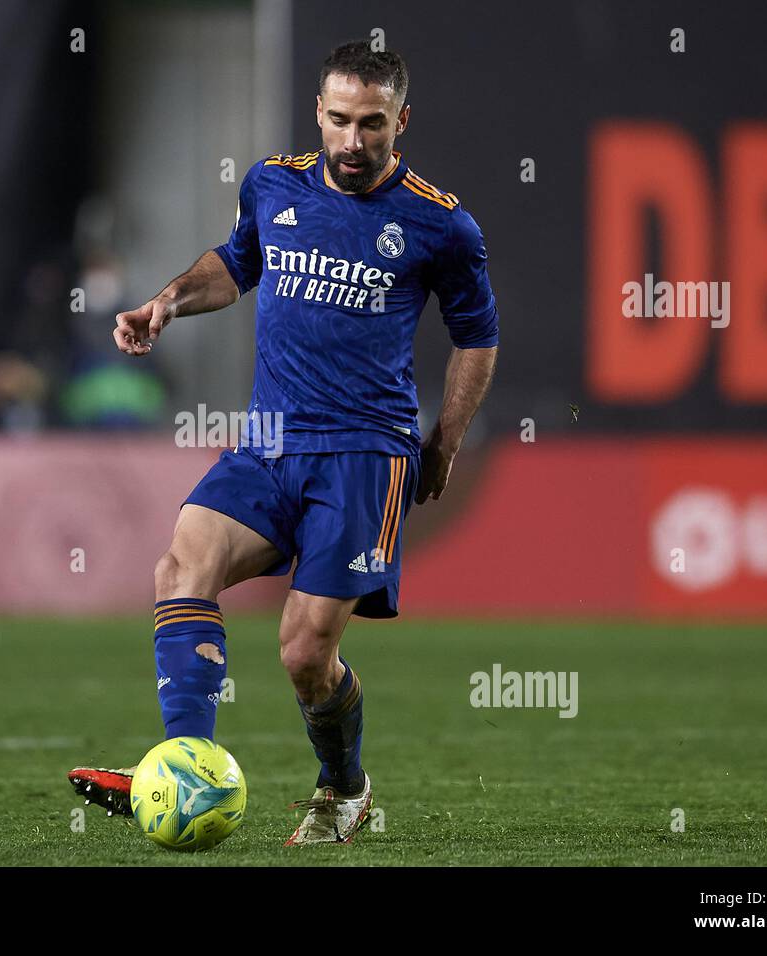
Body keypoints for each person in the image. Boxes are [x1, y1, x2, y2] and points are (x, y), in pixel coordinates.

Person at [68, 39, 500, 845]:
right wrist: (166, 301)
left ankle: (344, 787)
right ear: (319, 112)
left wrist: (444, 440)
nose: (352, 139)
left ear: (400, 121)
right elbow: (236, 265)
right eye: (339, 119)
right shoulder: (273, 183)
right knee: (182, 563)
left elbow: (477, 337)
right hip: (268, 440)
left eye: (372, 123)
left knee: (304, 654)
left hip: (365, 454)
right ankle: (186, 758)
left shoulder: (442, 224)